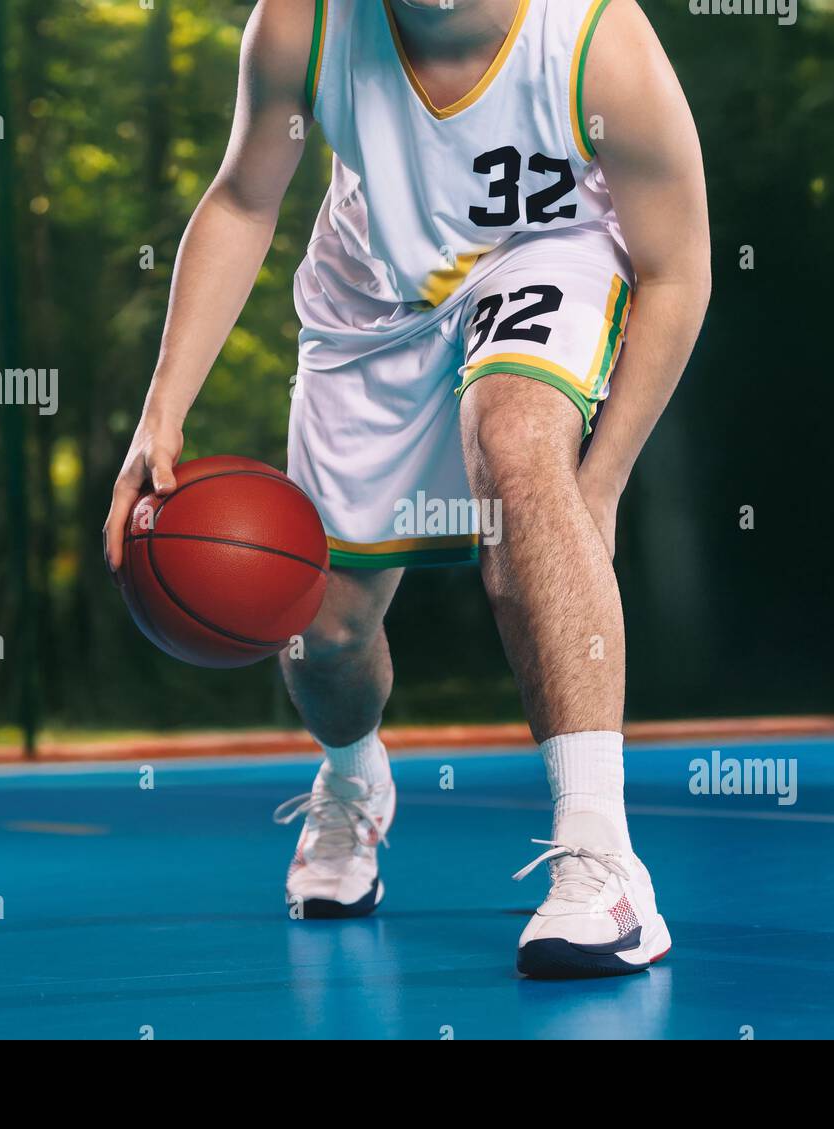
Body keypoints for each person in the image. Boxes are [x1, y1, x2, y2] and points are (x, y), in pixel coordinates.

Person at [104, 0, 710, 979]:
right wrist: (161, 408)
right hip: (370, 295)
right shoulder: (302, 24)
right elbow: (244, 199)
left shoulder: (599, 41)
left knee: (519, 447)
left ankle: (603, 859)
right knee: (325, 633)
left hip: (541, 251)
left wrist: (599, 482)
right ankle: (353, 773)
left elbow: (676, 271)